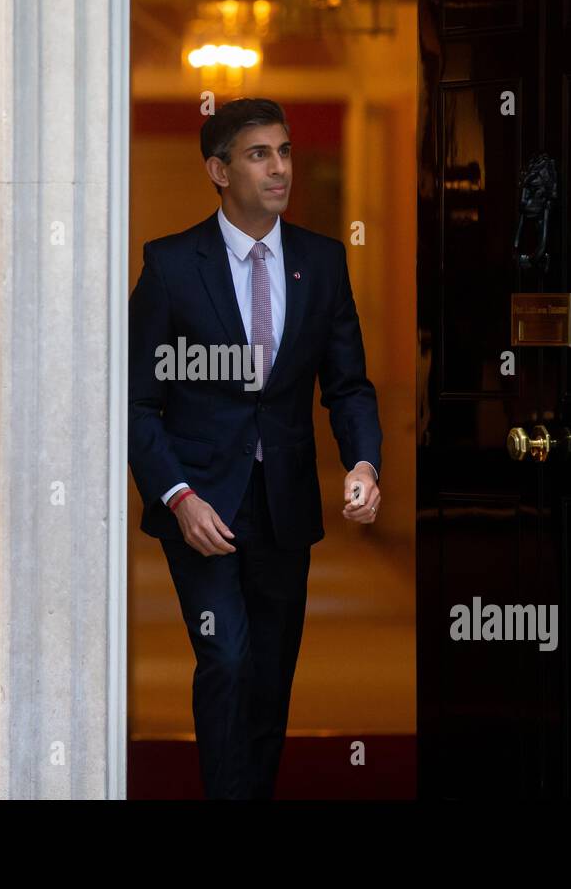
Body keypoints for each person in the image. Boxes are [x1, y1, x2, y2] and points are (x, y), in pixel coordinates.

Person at [128, 97, 383, 799]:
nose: (280, 168)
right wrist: (178, 498)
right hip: (202, 506)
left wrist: (364, 461)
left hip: (283, 506)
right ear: (218, 170)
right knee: (227, 659)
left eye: (286, 151)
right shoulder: (173, 267)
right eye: (258, 154)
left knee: (270, 677)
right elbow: (138, 402)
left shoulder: (322, 263)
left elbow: (349, 384)